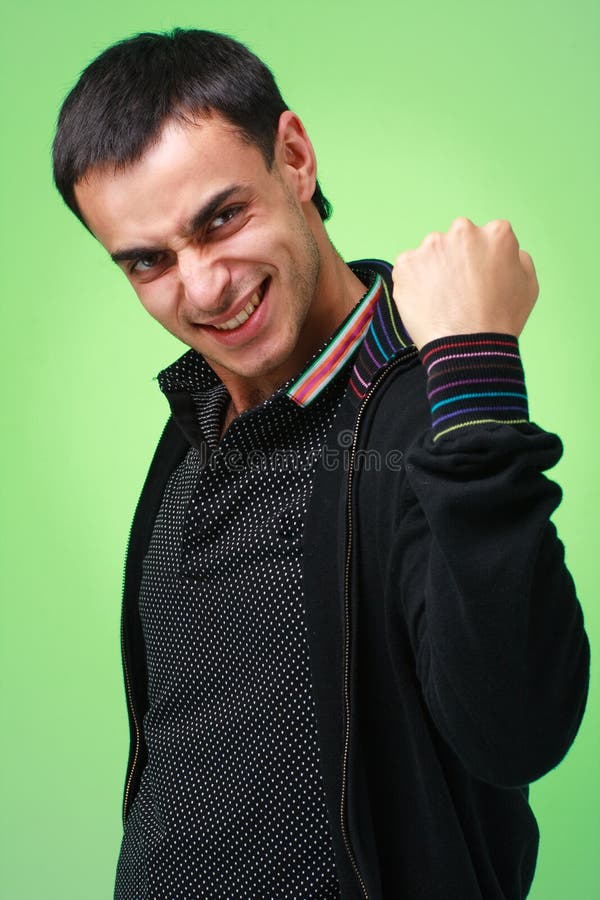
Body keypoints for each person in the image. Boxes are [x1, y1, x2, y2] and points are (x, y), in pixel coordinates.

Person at [52, 28, 589, 900]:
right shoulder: (194, 421)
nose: (202, 289)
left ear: (294, 158)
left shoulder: (430, 414)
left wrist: (479, 369)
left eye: (221, 218)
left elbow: (519, 730)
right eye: (148, 261)